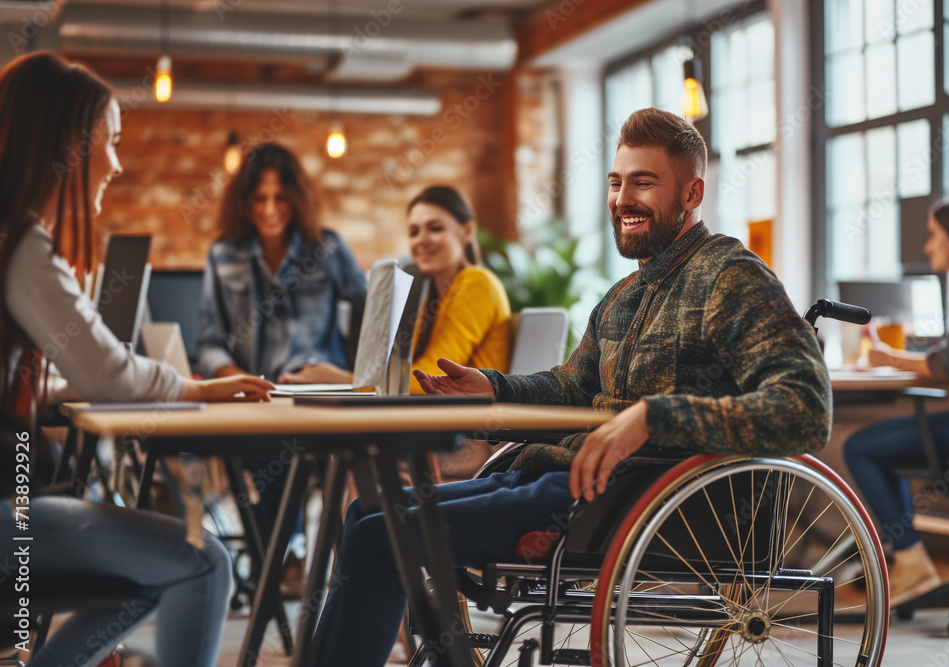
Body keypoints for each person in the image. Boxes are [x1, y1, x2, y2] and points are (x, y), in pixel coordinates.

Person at [307, 107, 831, 667]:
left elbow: (805, 408)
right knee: (366, 512)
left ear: (692, 192)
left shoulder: (731, 276)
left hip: (647, 503)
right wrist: (491, 385)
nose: (623, 198)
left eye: (644, 182)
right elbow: (571, 385)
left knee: (380, 536)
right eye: (616, 182)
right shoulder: (624, 295)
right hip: (571, 480)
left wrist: (656, 416)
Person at [0, 52, 274, 667]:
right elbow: (109, 374)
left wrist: (52, 390)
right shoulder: (23, 243)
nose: (118, 164)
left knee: (148, 577)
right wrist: (197, 389)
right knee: (204, 561)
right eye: (112, 142)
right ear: (67, 142)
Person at [844, 198, 949, 606]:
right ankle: (908, 562)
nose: (928, 247)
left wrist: (887, 357)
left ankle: (911, 560)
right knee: (883, 451)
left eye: (933, 236)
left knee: (859, 447)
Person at [280, 185, 511, 393]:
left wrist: (341, 379)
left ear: (467, 231)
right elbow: (403, 374)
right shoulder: (431, 296)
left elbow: (431, 378)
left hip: (469, 429)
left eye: (435, 228)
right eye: (414, 232)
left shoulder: (477, 282)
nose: (422, 240)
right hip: (440, 418)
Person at [197, 143, 367, 384]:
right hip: (255, 397)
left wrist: (347, 377)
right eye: (259, 198)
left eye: (281, 198)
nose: (269, 210)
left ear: (297, 199)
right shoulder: (222, 254)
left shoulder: (327, 247)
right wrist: (243, 381)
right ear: (243, 202)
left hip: (322, 393)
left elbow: (374, 321)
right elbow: (210, 344)